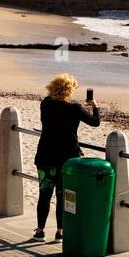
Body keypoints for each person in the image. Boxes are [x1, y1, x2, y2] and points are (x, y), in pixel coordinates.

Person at [33, 74, 101, 242]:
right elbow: (95, 122)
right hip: (67, 159)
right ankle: (60, 232)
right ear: (69, 90)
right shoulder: (75, 108)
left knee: (44, 194)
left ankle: (40, 231)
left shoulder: (46, 104)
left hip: (46, 157)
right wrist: (95, 107)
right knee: (63, 195)